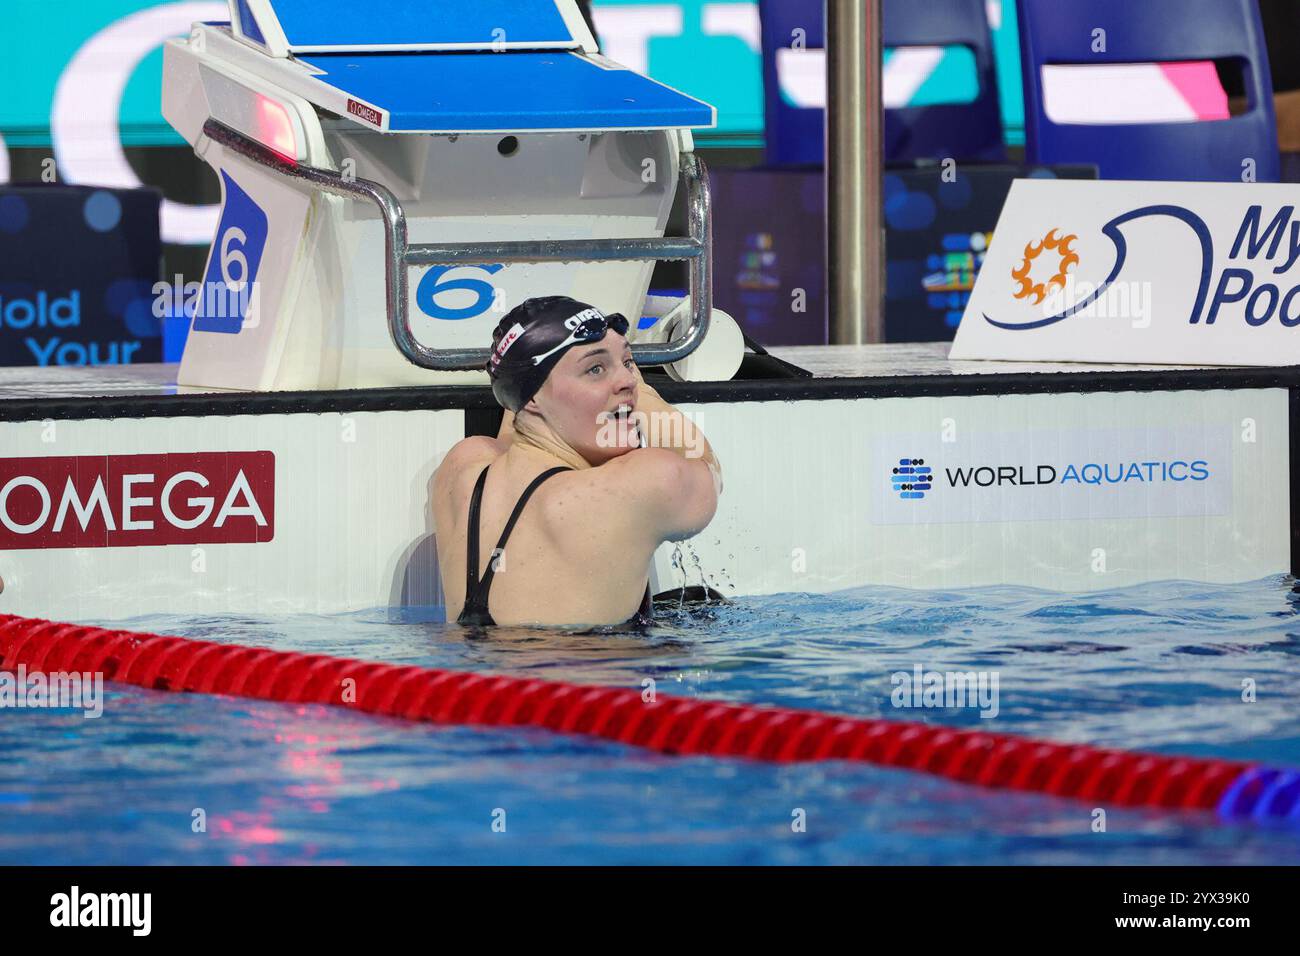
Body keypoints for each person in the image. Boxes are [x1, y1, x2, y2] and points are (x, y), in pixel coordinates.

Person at [432, 296, 722, 628]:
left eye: (627, 363)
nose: (626, 381)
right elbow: (706, 467)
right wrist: (639, 395)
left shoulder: (462, 469)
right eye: (595, 369)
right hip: (596, 677)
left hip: (476, 676)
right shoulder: (640, 483)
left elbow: (523, 426)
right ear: (535, 397)